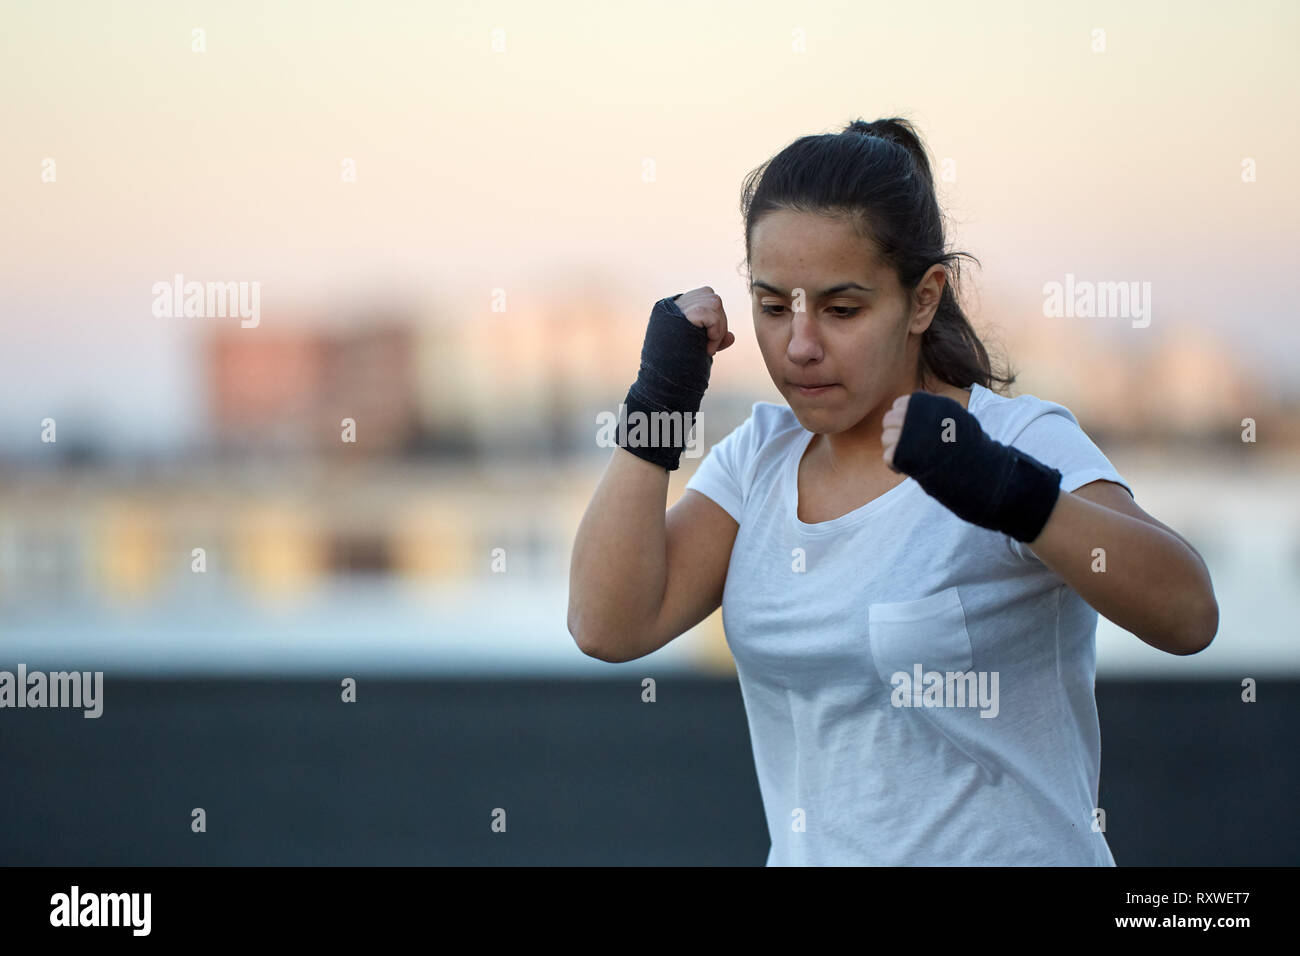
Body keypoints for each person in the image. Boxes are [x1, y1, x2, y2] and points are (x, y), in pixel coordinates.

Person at [567, 117, 1219, 866]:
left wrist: (1009, 493)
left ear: (922, 298)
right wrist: (659, 401)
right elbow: (606, 624)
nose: (801, 344)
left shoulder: (1016, 439)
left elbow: (1189, 614)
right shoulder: (759, 459)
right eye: (774, 306)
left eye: (842, 309)